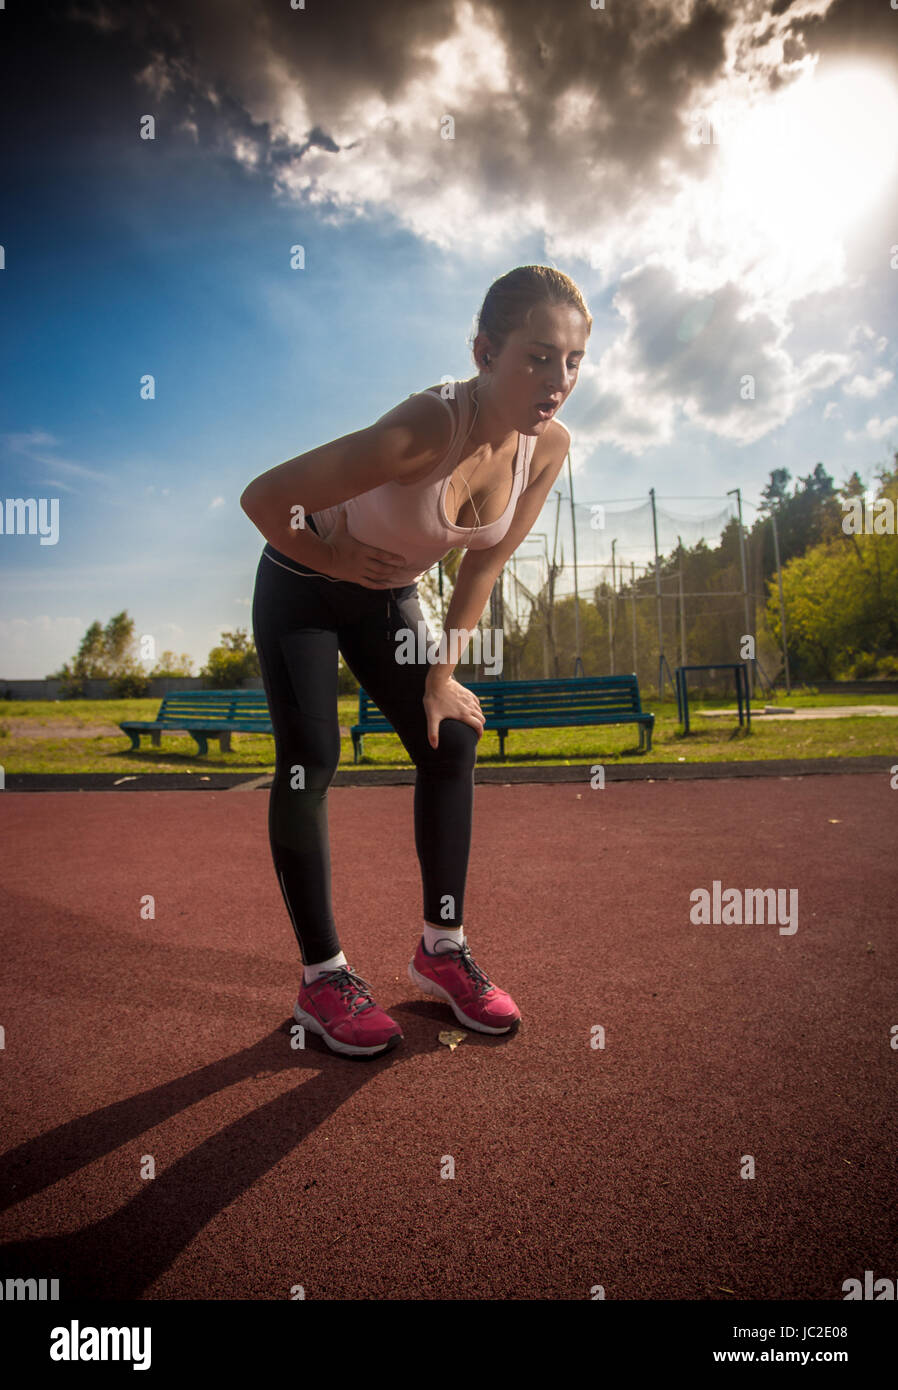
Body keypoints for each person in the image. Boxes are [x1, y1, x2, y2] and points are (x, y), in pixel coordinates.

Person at [241, 265, 591, 1058]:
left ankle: (441, 949)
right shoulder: (429, 427)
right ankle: (323, 978)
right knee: (311, 758)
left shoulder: (548, 449)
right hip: (303, 580)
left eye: (572, 361)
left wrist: (441, 678)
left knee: (451, 737)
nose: (557, 380)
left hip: (388, 594)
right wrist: (328, 555)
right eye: (538, 357)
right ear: (484, 351)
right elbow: (265, 498)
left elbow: (482, 567)